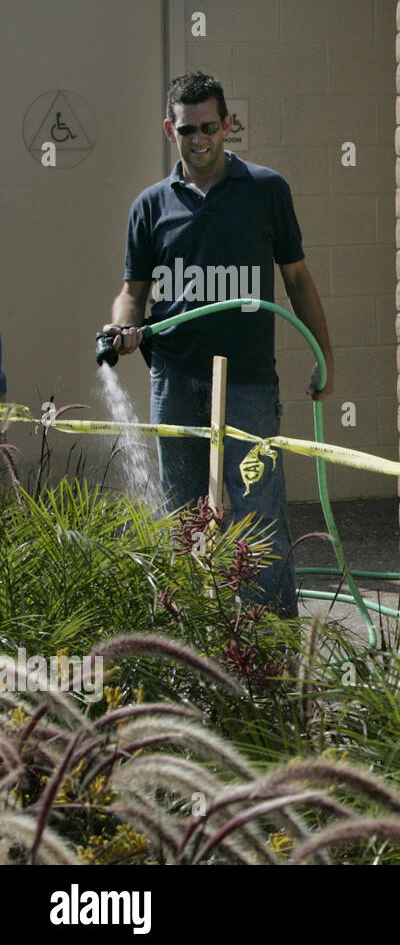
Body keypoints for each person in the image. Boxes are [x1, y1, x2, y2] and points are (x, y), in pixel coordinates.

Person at [102, 72, 335, 620]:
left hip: (249, 380)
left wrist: (325, 358)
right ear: (169, 130)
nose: (199, 138)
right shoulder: (150, 206)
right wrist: (122, 329)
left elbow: (298, 280)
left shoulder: (265, 190)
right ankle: (191, 630)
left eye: (210, 126)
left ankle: (268, 635)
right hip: (175, 380)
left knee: (257, 508)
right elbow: (132, 294)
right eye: (187, 130)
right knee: (183, 509)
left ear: (228, 125)